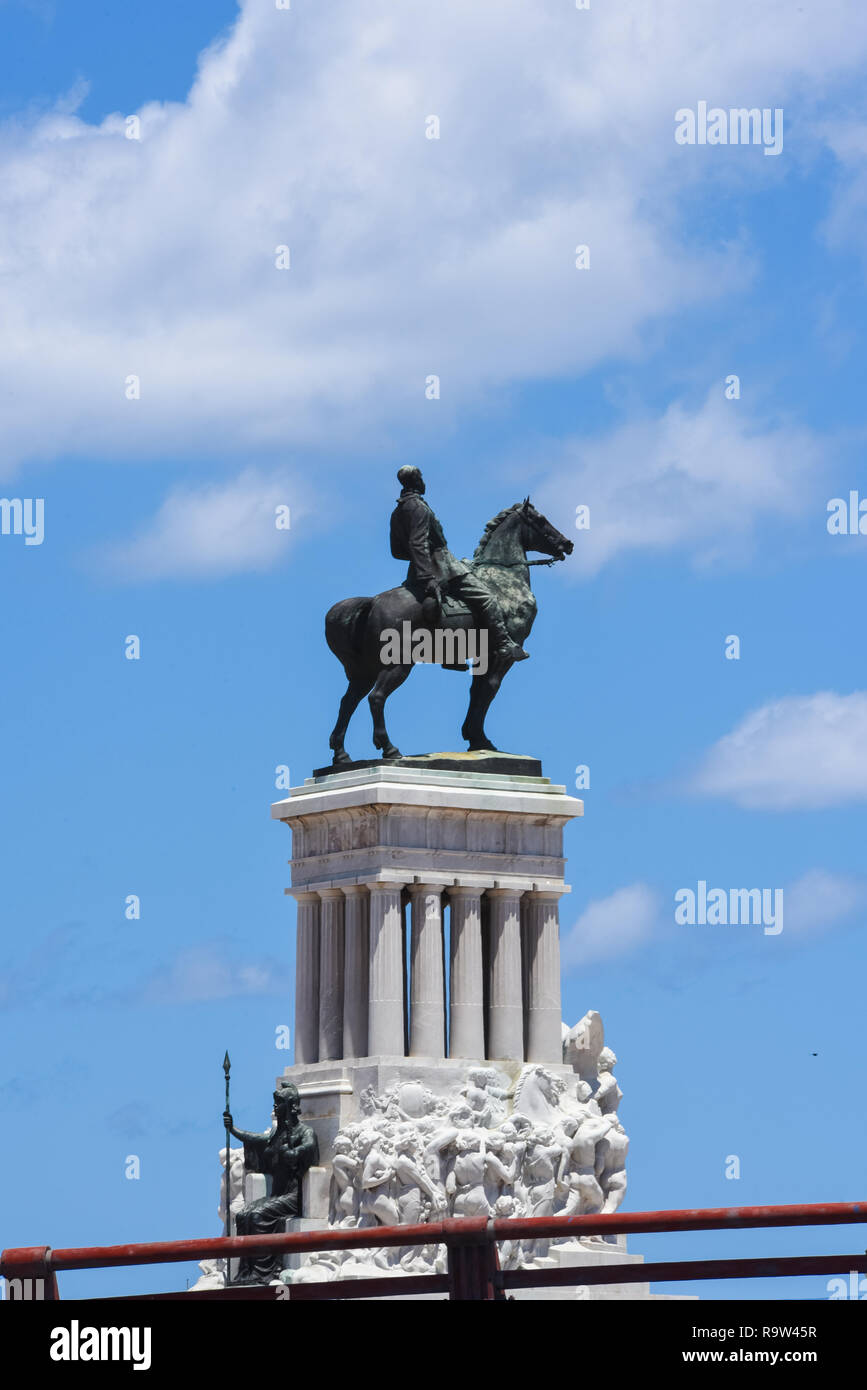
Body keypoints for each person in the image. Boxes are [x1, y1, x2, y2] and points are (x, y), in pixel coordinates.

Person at [389, 466, 529, 664]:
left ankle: (452, 653)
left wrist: (420, 566)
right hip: (442, 569)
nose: (424, 482)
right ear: (416, 481)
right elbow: (417, 542)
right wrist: (429, 573)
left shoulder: (398, 510)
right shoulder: (418, 507)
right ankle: (504, 644)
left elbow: (397, 551)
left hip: (416, 570)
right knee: (487, 598)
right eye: (421, 478)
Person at [222, 1080, 318, 1284]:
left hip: (294, 1197)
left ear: (290, 1106)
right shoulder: (277, 1134)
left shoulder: (303, 1132)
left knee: (257, 1215)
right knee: (243, 1215)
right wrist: (234, 1130)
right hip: (278, 1195)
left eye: (279, 1103)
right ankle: (246, 1271)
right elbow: (257, 1139)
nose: (275, 1107)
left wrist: (296, 1151)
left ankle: (262, 1272)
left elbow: (310, 1145)